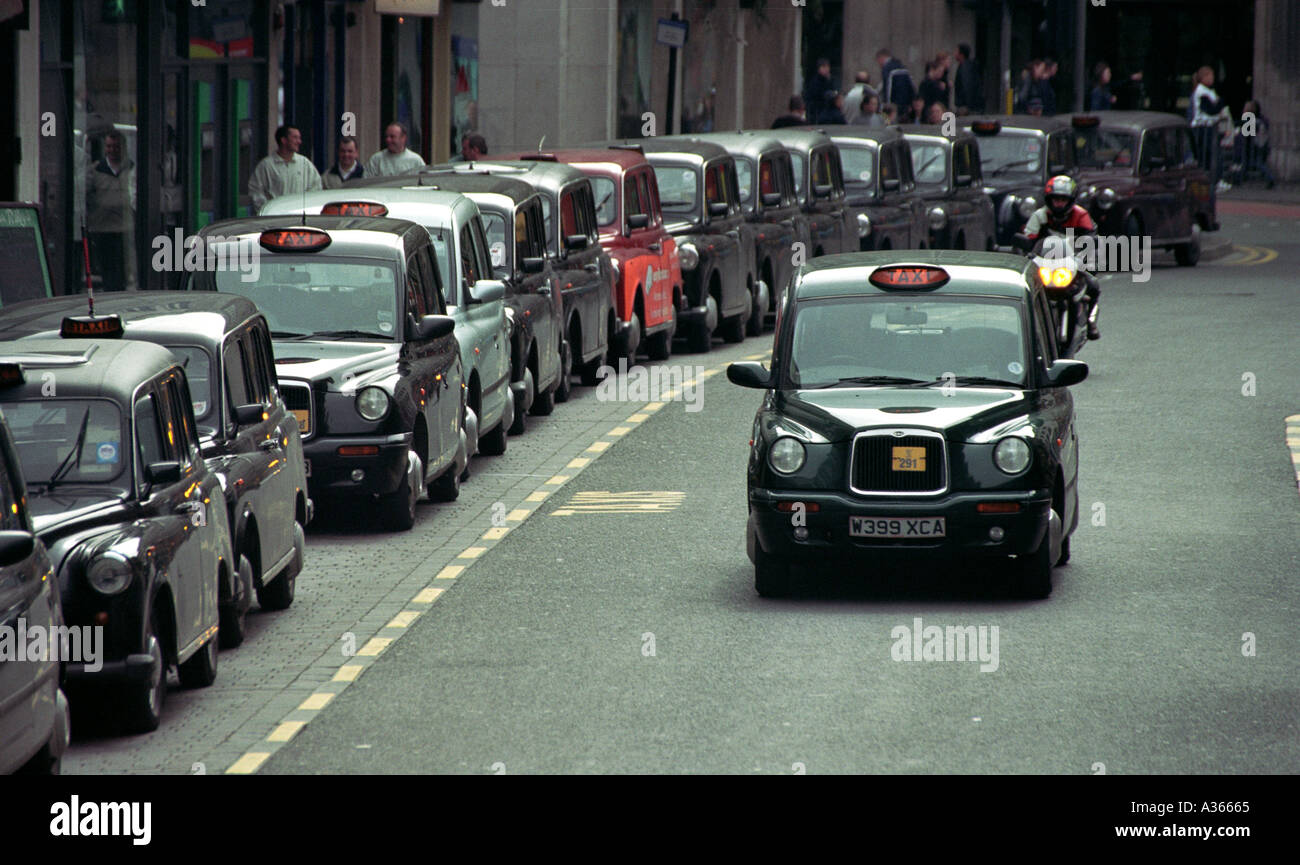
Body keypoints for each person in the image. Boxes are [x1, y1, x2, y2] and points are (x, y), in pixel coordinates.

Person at [1022, 175, 1100, 340]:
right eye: (1055, 199)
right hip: (1045, 262)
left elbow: (1091, 237)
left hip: (1073, 259)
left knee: (1093, 285)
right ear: (1049, 199)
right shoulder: (1039, 216)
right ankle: (1026, 321)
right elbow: (1029, 238)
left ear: (1070, 200)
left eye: (1063, 199)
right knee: (1024, 288)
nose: (1059, 203)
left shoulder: (1081, 215)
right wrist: (1028, 251)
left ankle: (1090, 320)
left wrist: (1087, 250)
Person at [85, 127, 135, 291]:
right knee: (107, 272)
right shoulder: (95, 170)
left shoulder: (132, 169)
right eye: (109, 146)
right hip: (102, 229)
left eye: (116, 146)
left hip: (124, 229)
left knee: (122, 273)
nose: (112, 150)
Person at [249, 125, 322, 214]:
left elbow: (316, 187)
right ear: (283, 140)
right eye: (295, 138)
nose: (299, 142)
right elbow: (255, 191)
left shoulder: (304, 163)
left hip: (299, 218)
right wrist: (268, 211)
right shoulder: (266, 166)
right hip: (275, 219)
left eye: (299, 138)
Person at [1190, 66, 1230, 193]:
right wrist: (1220, 104)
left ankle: (1214, 180)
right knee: (1208, 156)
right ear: (1204, 77)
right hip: (1203, 128)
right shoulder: (1202, 92)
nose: (1212, 78)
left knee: (1213, 155)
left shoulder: (1208, 91)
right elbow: (1210, 110)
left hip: (1210, 127)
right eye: (1210, 76)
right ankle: (1212, 181)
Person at [1229, 100, 1276, 188]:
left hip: (1254, 146)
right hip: (1259, 145)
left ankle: (1270, 178)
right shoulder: (1260, 119)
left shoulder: (1251, 120)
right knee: (1248, 164)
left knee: (1257, 163)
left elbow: (1247, 134)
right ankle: (1238, 180)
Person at [876, 49, 915, 121]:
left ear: (881, 58)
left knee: (890, 122)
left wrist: (887, 104)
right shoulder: (902, 66)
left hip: (894, 105)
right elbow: (911, 86)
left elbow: (887, 88)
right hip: (905, 105)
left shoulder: (887, 68)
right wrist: (911, 103)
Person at [803, 58, 835, 125]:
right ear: (819, 69)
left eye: (827, 67)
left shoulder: (830, 80)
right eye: (824, 67)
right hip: (817, 112)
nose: (826, 69)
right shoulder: (815, 82)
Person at [953, 44, 984, 115]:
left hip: (966, 106)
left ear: (961, 54)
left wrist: (967, 105)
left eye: (956, 51)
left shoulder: (965, 67)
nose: (954, 54)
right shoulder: (967, 65)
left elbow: (966, 86)